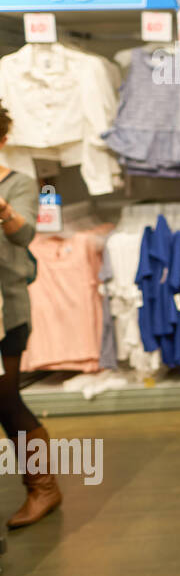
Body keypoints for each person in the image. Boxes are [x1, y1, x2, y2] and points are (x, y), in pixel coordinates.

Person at [0, 102, 57, 527]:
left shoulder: (17, 184)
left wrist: (5, 212)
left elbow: (25, 234)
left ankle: (43, 487)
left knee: (5, 398)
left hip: (7, 310)